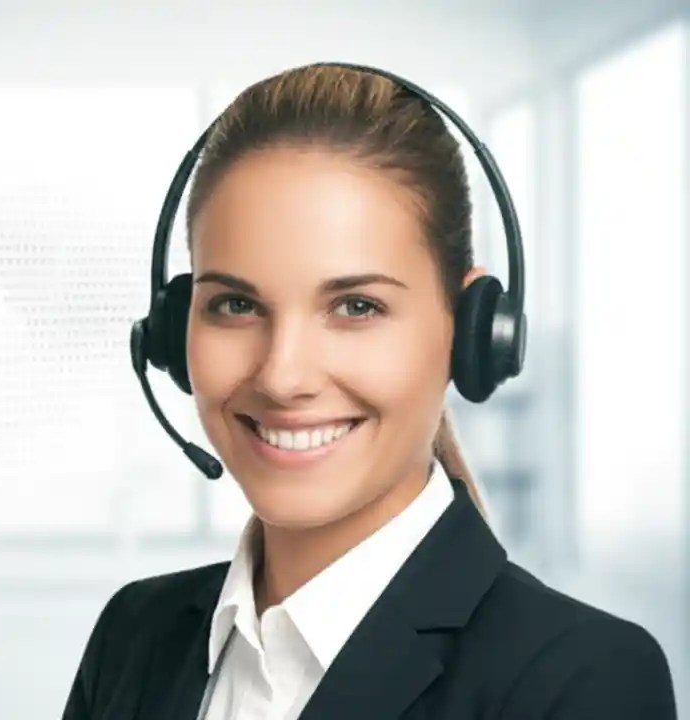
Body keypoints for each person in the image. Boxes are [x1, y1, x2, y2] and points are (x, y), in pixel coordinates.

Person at [61, 63, 677, 719]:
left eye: (355, 306)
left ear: (471, 334)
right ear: (169, 331)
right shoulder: (134, 634)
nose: (283, 376)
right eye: (236, 304)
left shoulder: (582, 682)